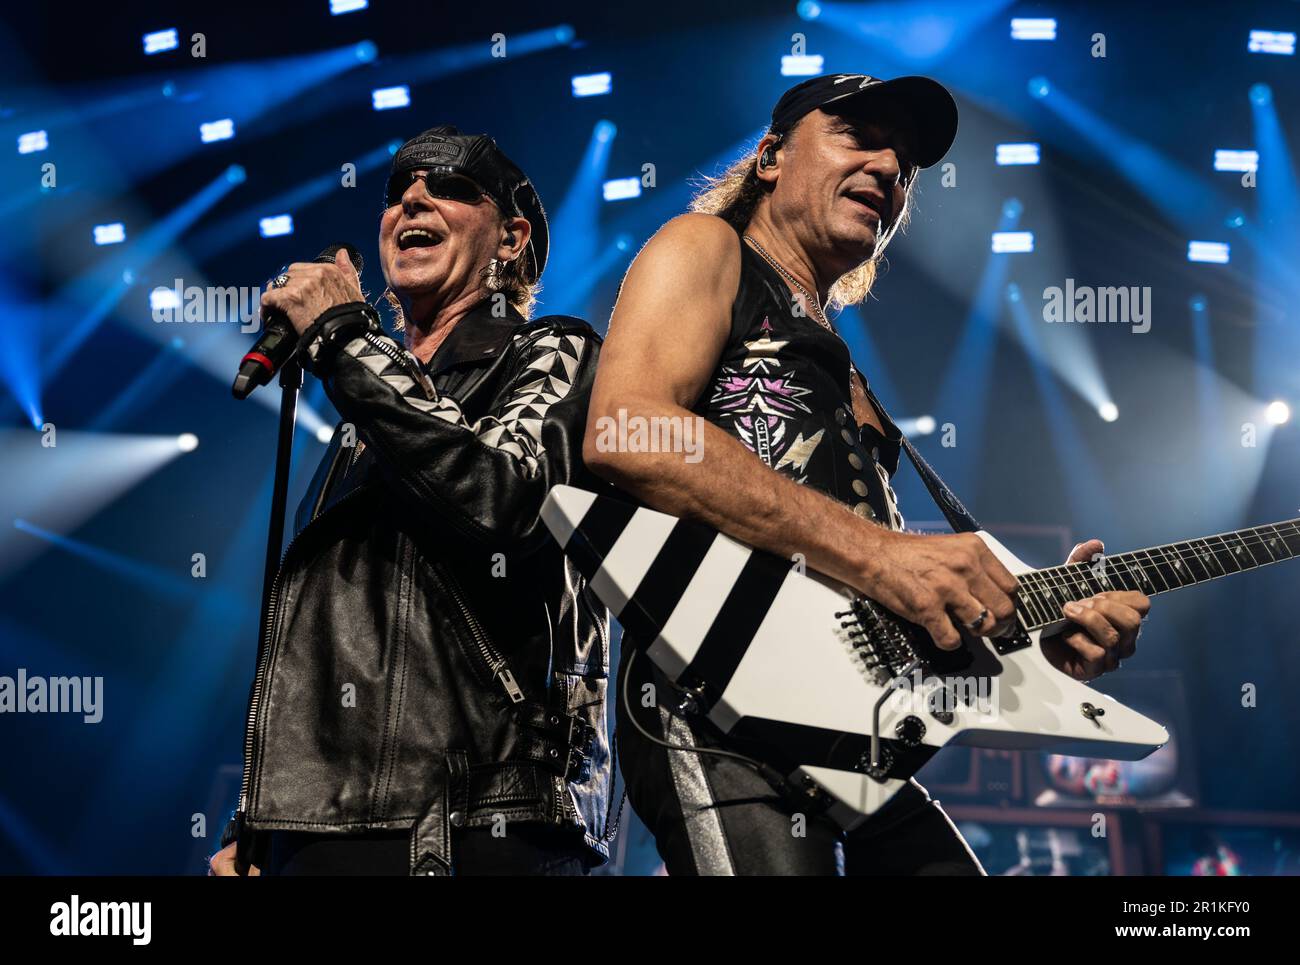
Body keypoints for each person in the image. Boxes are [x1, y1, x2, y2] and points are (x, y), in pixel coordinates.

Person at [583, 75, 1149, 875]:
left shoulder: (845, 368)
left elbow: (867, 604)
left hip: (852, 738)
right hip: (716, 710)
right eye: (858, 134)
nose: (889, 165)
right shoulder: (706, 247)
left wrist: (1037, 640)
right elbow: (625, 429)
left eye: (905, 162)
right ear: (771, 157)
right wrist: (885, 554)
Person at [209, 125, 613, 875]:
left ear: (512, 237)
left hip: (479, 819)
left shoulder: (555, 352)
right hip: (326, 829)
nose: (413, 199)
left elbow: (507, 499)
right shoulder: (365, 422)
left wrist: (347, 341)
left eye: (451, 187)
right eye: (397, 193)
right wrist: (260, 821)